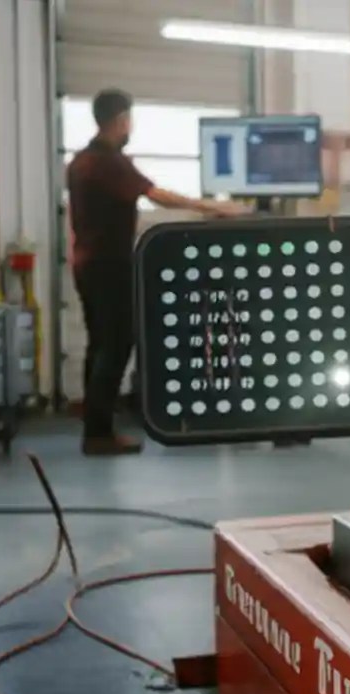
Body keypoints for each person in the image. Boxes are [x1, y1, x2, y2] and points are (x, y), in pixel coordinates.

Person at [67, 88, 245, 456]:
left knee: (100, 343)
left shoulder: (80, 161)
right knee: (116, 344)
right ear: (120, 120)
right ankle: (99, 432)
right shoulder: (108, 162)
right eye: (129, 119)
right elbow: (155, 194)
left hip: (87, 263)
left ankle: (96, 425)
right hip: (107, 265)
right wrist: (210, 208)